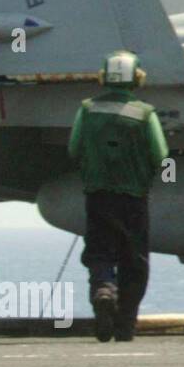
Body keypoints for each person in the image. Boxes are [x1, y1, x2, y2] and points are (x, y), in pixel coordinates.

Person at [67, 51, 167, 342]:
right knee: (134, 261)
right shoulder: (145, 113)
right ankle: (125, 324)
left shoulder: (87, 109)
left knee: (99, 252)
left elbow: (74, 149)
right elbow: (161, 154)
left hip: (97, 195)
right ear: (137, 78)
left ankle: (103, 289)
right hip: (134, 197)